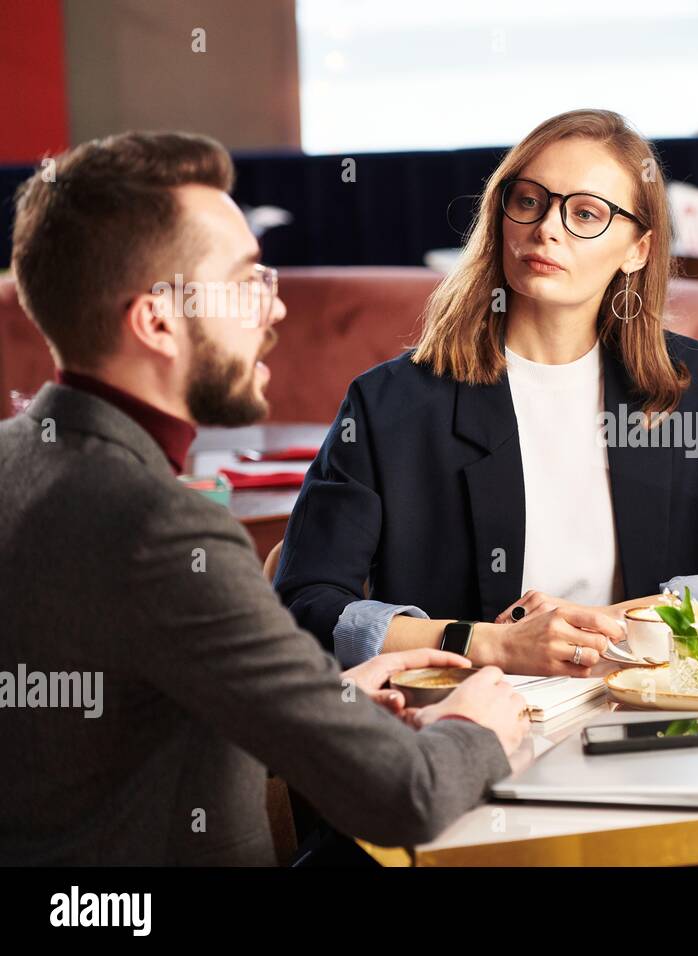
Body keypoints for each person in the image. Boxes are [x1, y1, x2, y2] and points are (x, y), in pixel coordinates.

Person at [0, 131, 529, 865]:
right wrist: (478, 726)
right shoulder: (163, 528)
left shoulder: (15, 456)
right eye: (247, 281)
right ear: (156, 320)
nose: (273, 311)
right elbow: (406, 795)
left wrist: (324, 697)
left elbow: (113, 721)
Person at [274, 109, 698, 673]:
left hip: (656, 712)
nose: (547, 229)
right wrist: (487, 643)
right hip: (466, 717)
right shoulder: (390, 403)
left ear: (638, 248)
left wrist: (628, 620)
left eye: (586, 212)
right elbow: (306, 603)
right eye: (528, 201)